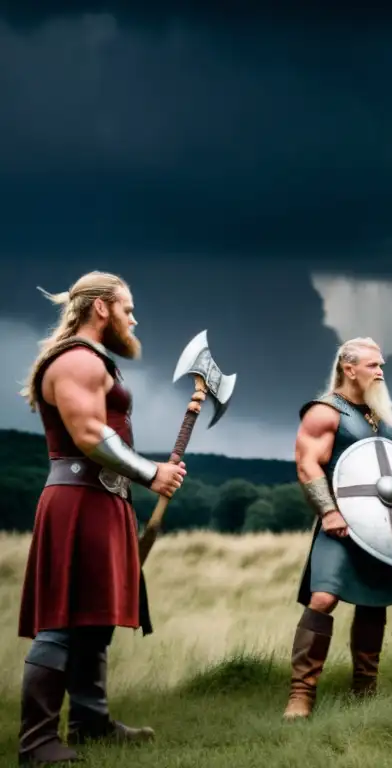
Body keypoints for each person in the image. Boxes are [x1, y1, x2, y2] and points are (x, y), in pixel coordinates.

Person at [16, 271, 186, 764]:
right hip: (78, 499)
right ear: (103, 308)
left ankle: (90, 722)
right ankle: (37, 741)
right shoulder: (76, 360)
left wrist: (148, 473)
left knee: (94, 618)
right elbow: (90, 434)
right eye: (128, 308)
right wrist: (151, 473)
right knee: (63, 621)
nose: (134, 318)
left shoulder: (92, 361)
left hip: (103, 498)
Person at [283, 337, 392, 719]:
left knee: (374, 604)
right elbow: (307, 464)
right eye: (373, 365)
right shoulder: (325, 413)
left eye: (382, 365)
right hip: (339, 523)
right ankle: (301, 694)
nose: (380, 371)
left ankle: (365, 689)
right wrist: (328, 512)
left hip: (383, 527)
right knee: (323, 598)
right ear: (348, 368)